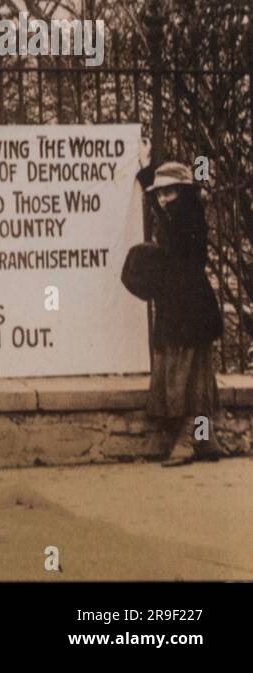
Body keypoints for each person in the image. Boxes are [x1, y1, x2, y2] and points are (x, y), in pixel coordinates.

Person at [131, 138, 223, 466]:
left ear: (184, 192)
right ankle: (206, 441)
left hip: (189, 311)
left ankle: (188, 441)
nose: (165, 199)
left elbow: (173, 233)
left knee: (187, 379)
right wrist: (146, 176)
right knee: (194, 377)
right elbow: (164, 217)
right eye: (161, 193)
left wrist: (149, 181)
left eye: (170, 192)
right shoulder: (179, 215)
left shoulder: (190, 215)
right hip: (182, 310)